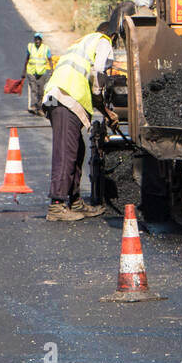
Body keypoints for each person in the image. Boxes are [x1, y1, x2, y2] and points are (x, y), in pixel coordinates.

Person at [41, 16, 122, 222]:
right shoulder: (103, 41)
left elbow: (88, 82)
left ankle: (75, 202)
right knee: (66, 151)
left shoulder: (83, 43)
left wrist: (105, 112)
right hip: (65, 98)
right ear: (111, 35)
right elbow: (98, 75)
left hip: (60, 97)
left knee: (77, 149)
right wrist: (105, 103)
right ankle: (57, 206)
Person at [20, 32, 52, 115]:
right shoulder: (30, 47)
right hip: (31, 72)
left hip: (41, 72)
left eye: (39, 39)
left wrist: (52, 70)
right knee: (34, 89)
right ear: (34, 40)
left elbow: (50, 59)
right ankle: (33, 106)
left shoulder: (45, 48)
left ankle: (40, 107)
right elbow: (27, 59)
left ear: (41, 40)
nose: (37, 41)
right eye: (36, 39)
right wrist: (24, 71)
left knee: (41, 91)